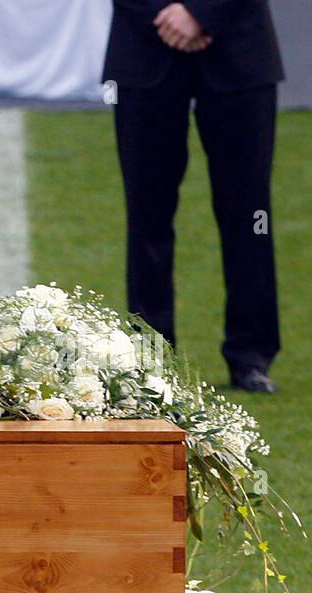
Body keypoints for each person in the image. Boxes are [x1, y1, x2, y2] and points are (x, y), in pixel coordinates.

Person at [104, 1, 284, 392]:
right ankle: (150, 353)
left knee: (250, 215)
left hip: (240, 45)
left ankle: (251, 354)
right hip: (143, 46)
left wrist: (201, 11)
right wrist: (165, 11)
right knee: (146, 215)